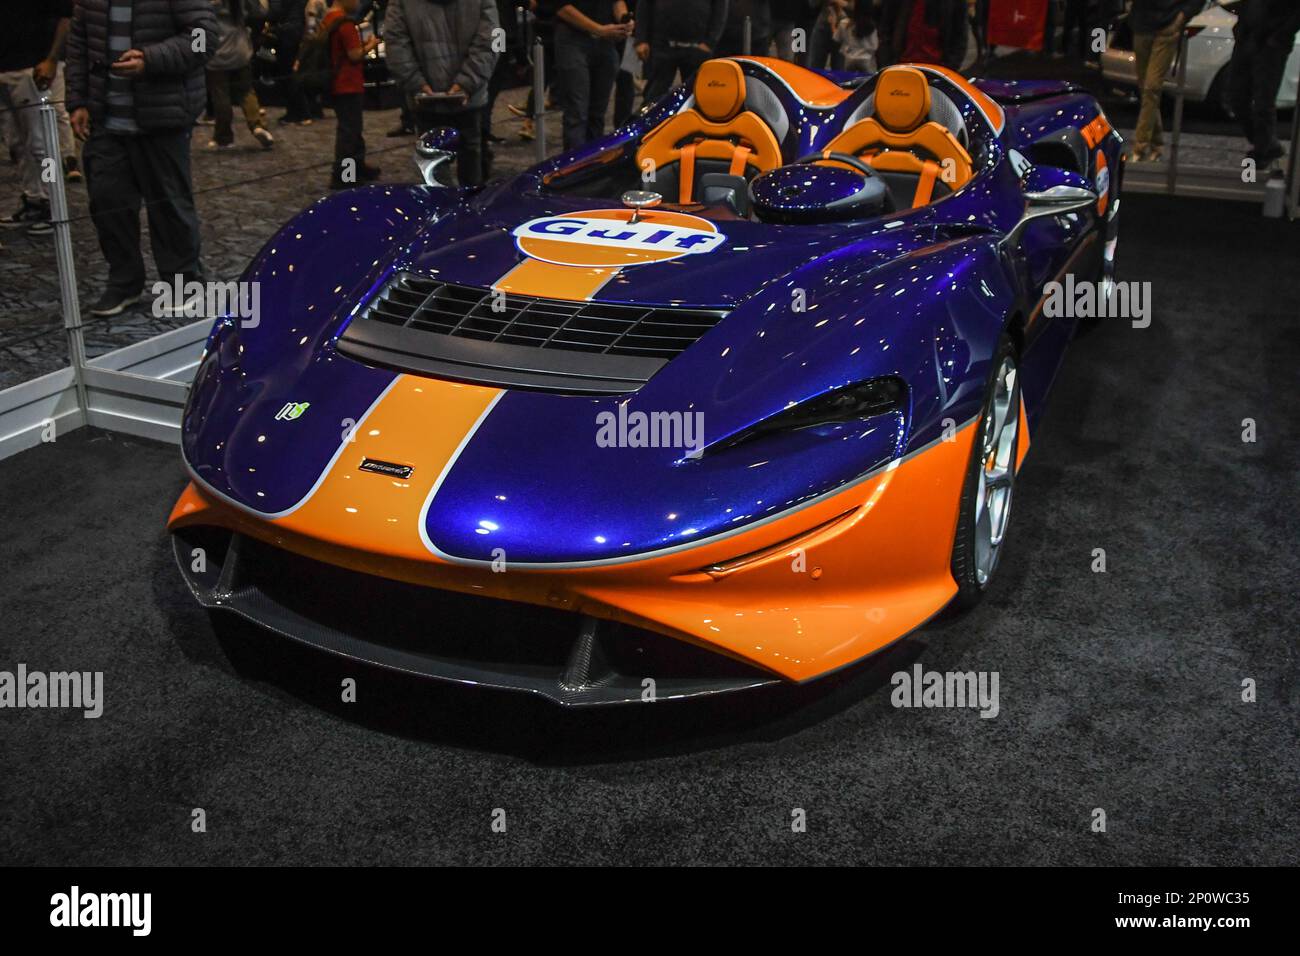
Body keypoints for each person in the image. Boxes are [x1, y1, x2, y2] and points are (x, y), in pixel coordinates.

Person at [66, 0, 218, 317]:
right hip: (106, 120)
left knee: (169, 204)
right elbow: (79, 43)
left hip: (164, 117)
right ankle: (123, 283)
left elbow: (204, 38)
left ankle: (184, 283)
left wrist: (151, 59)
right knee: (108, 205)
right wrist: (77, 100)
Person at [385, 0, 499, 184]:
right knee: (471, 157)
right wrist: (466, 82)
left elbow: (395, 43)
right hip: (468, 98)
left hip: (425, 97)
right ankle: (471, 209)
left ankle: (441, 209)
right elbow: (491, 41)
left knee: (432, 164)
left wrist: (417, 83)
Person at [0, 0, 72, 236]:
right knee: (16, 143)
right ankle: (34, 200)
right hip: (6, 68)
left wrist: (52, 59)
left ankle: (53, 205)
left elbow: (65, 15)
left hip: (32, 67)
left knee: (41, 143)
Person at [544, 0, 632, 150]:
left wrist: (624, 20)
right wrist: (598, 29)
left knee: (597, 115)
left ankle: (592, 165)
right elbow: (561, 7)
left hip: (606, 42)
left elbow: (617, 2)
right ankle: (575, 168)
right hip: (573, 39)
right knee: (577, 113)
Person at [1228, 0, 1300, 167]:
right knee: (1235, 96)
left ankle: (1264, 148)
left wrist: (1280, 36)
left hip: (1271, 43)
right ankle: (1266, 144)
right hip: (1248, 37)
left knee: (1263, 101)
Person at [1128, 0, 1201, 163]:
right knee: (1146, 89)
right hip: (1143, 24)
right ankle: (1157, 144)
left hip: (1166, 25)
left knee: (1151, 87)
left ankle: (1140, 146)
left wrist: (1181, 17)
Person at [320, 0, 379, 188]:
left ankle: (358, 166)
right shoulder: (345, 24)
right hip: (348, 84)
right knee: (349, 133)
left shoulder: (328, 19)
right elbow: (354, 55)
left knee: (352, 129)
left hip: (336, 83)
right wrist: (371, 44)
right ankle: (345, 176)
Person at [206, 0, 276, 150]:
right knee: (246, 91)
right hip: (241, 49)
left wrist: (197, 51)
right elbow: (261, 13)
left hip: (216, 53)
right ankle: (257, 125)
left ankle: (223, 137)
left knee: (220, 96)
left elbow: (195, 24)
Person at [634, 0, 728, 106]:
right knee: (653, 97)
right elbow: (644, 5)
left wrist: (710, 42)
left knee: (697, 100)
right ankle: (649, 122)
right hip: (662, 46)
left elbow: (720, 10)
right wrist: (641, 39)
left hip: (698, 48)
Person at [878, 0, 966, 69]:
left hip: (938, 69)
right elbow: (886, 29)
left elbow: (959, 35)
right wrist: (887, 63)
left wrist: (950, 67)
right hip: (901, 65)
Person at [831, 0, 878, 73]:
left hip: (849, 60)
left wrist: (833, 25)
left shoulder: (845, 24)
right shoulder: (872, 27)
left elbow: (836, 38)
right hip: (867, 61)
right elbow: (875, 46)